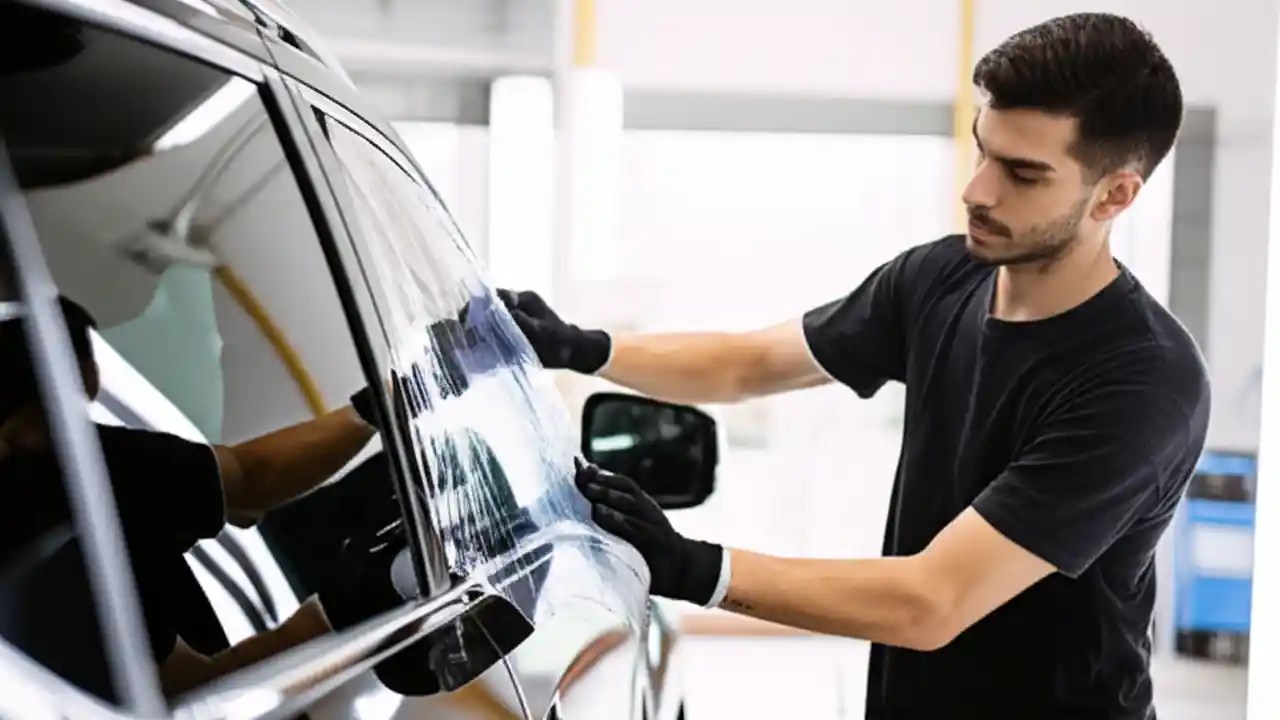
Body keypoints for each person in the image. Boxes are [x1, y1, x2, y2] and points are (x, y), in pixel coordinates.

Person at [501, 12, 1210, 719]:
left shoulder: (1142, 381)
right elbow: (751, 363)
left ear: (1114, 195)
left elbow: (933, 600)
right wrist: (586, 348)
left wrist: (695, 567)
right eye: (981, 152)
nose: (979, 192)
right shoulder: (943, 277)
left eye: (1022, 174)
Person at [0, 295, 393, 697]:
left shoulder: (86, 459)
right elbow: (197, 696)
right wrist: (333, 616)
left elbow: (245, 482)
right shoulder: (56, 564)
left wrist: (378, 406)